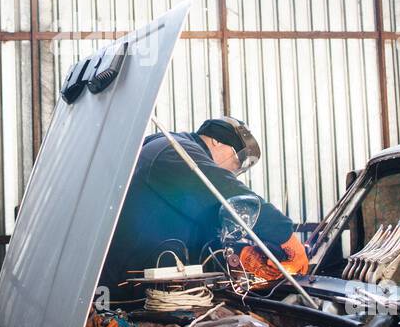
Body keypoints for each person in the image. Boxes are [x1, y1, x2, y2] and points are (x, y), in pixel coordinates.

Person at [98, 117, 308, 303]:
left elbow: (201, 222)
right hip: (124, 290)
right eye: (236, 161)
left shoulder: (171, 154)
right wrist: (286, 236)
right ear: (216, 140)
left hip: (143, 282)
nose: (234, 170)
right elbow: (227, 193)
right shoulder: (172, 150)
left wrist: (239, 254)